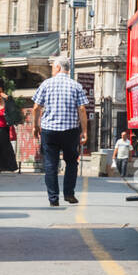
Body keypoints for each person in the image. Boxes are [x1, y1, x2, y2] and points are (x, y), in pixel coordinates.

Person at [32, 58, 88, 206]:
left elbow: (36, 108)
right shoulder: (76, 86)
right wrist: (84, 131)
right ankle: (69, 193)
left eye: (52, 67)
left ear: (57, 67)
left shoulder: (46, 84)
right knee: (71, 162)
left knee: (50, 164)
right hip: (70, 131)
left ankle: (53, 199)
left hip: (49, 131)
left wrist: (35, 126)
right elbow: (82, 109)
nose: (52, 69)